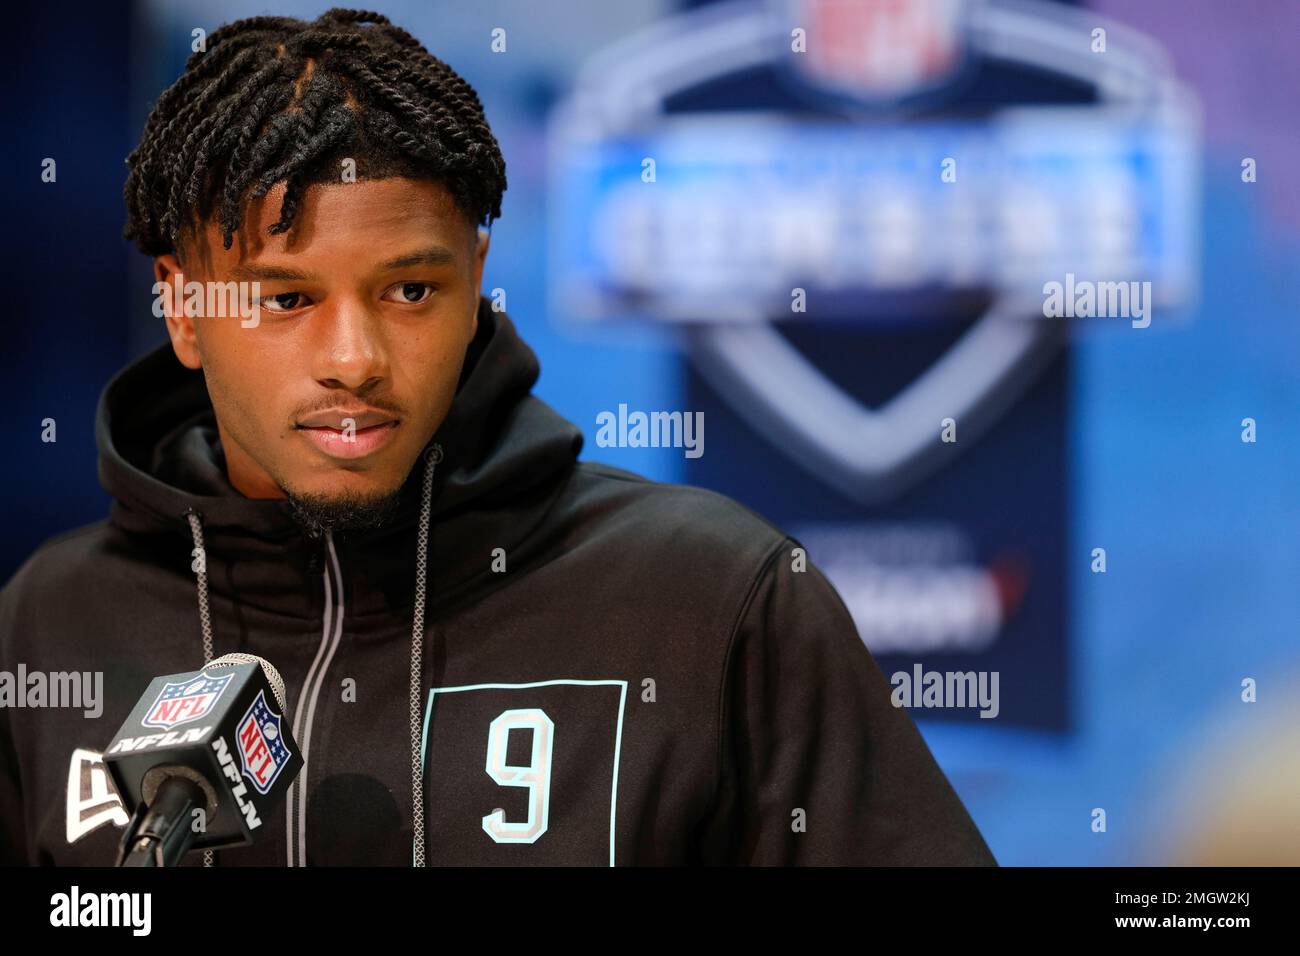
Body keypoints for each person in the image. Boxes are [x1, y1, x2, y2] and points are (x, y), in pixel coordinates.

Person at [0, 8, 994, 867]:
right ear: (182, 307)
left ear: (475, 280)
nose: (355, 358)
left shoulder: (709, 598)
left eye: (410, 290)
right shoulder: (47, 626)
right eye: (287, 297)